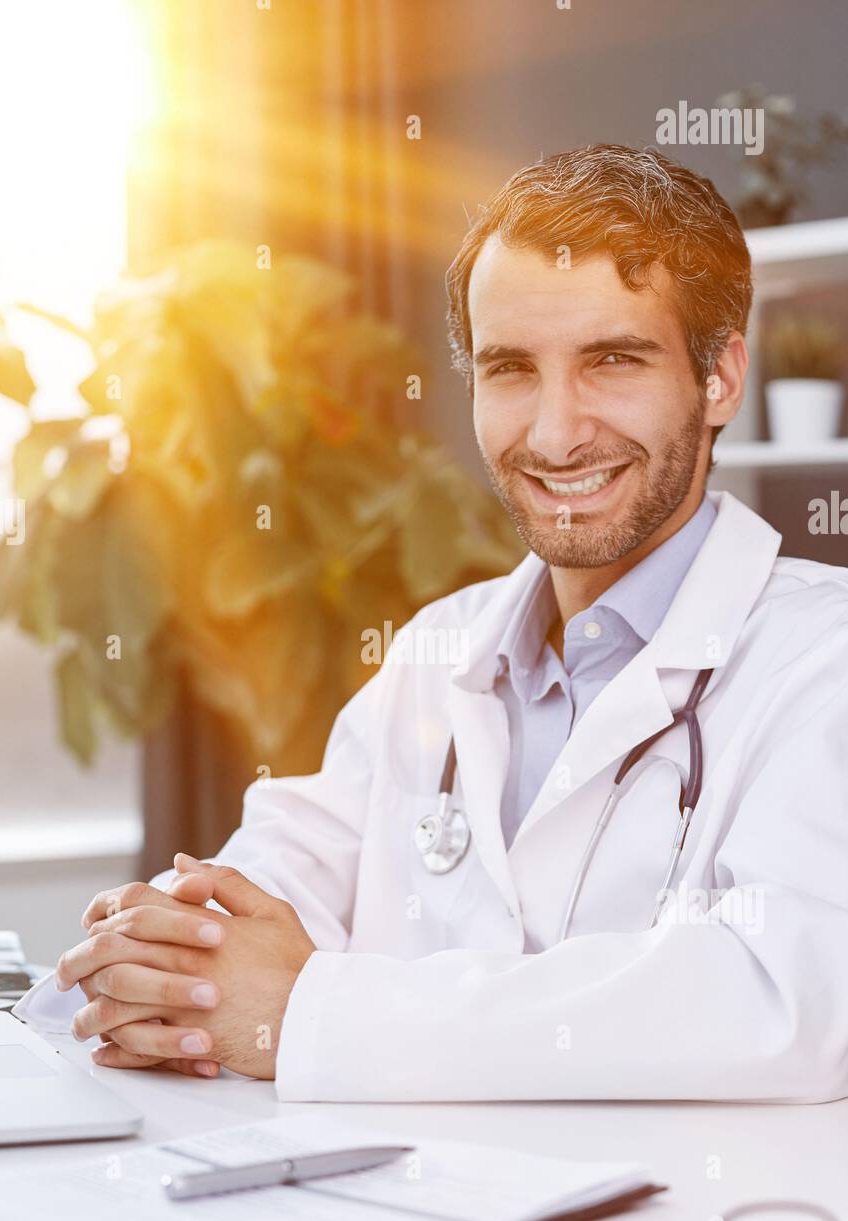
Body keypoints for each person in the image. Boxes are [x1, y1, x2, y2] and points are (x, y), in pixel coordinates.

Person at [53, 145, 848, 1102]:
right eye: (512, 369)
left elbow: (780, 1002)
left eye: (612, 361)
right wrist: (170, 956)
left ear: (720, 378)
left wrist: (310, 1010)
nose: (555, 433)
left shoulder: (820, 659)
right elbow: (285, 864)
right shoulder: (442, 648)